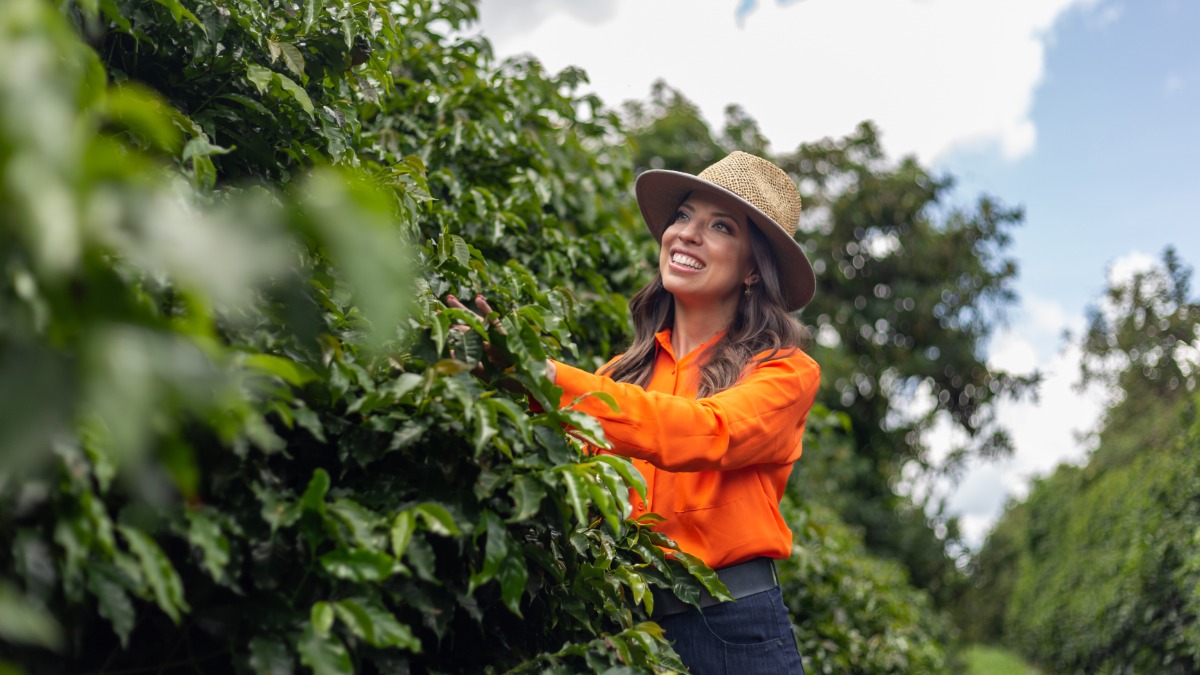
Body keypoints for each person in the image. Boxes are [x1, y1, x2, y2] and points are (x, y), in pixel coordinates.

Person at [451, 151, 819, 674]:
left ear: (754, 270)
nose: (687, 234)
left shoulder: (785, 372)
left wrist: (546, 375)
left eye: (720, 226)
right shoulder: (618, 374)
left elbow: (708, 431)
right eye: (684, 216)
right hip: (623, 627)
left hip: (730, 626)